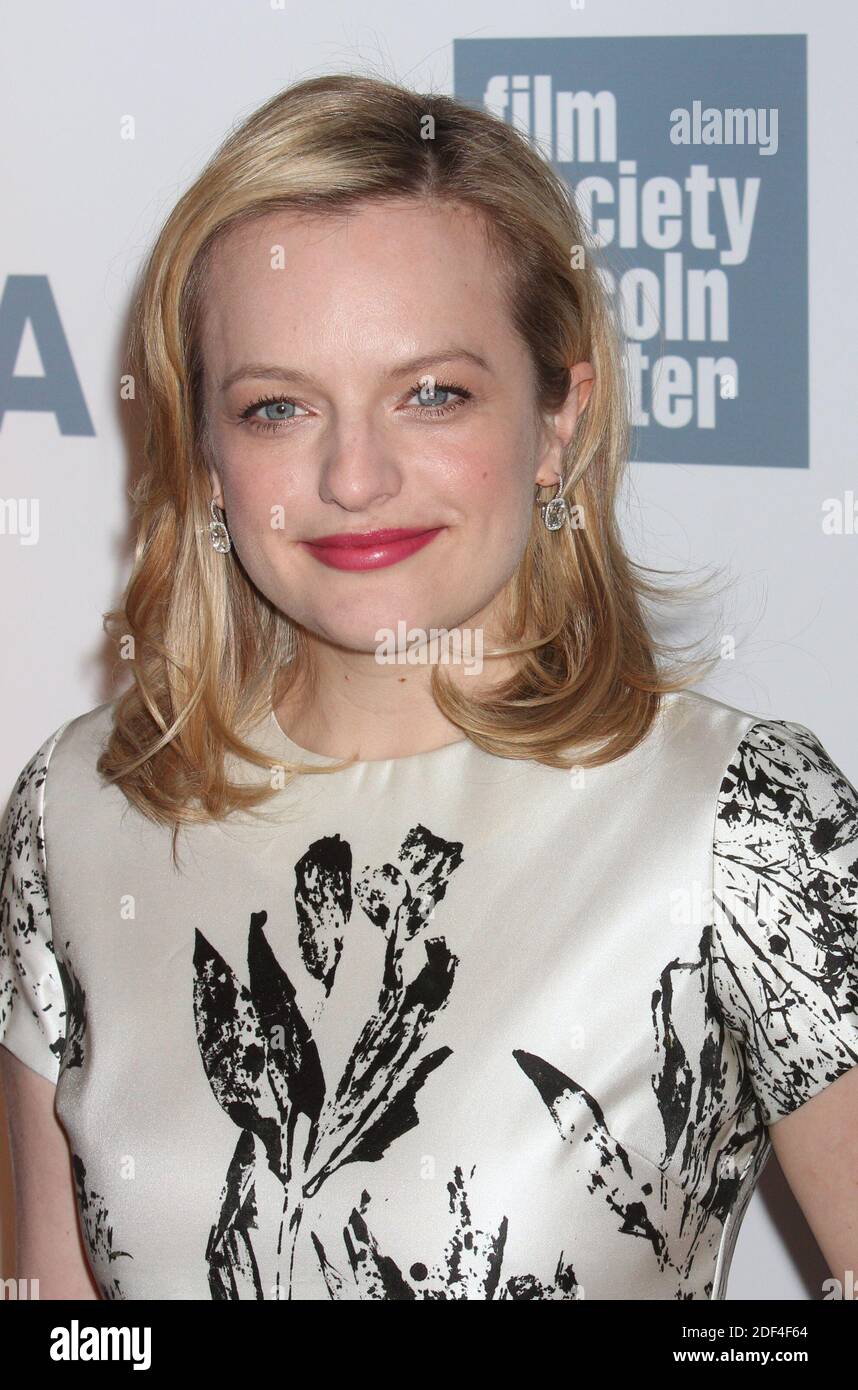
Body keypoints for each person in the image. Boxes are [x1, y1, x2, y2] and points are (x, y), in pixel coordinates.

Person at [1, 73, 856, 1303]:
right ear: (207, 451)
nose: (354, 476)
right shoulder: (77, 811)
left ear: (563, 413)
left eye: (432, 394)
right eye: (278, 406)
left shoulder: (744, 820)